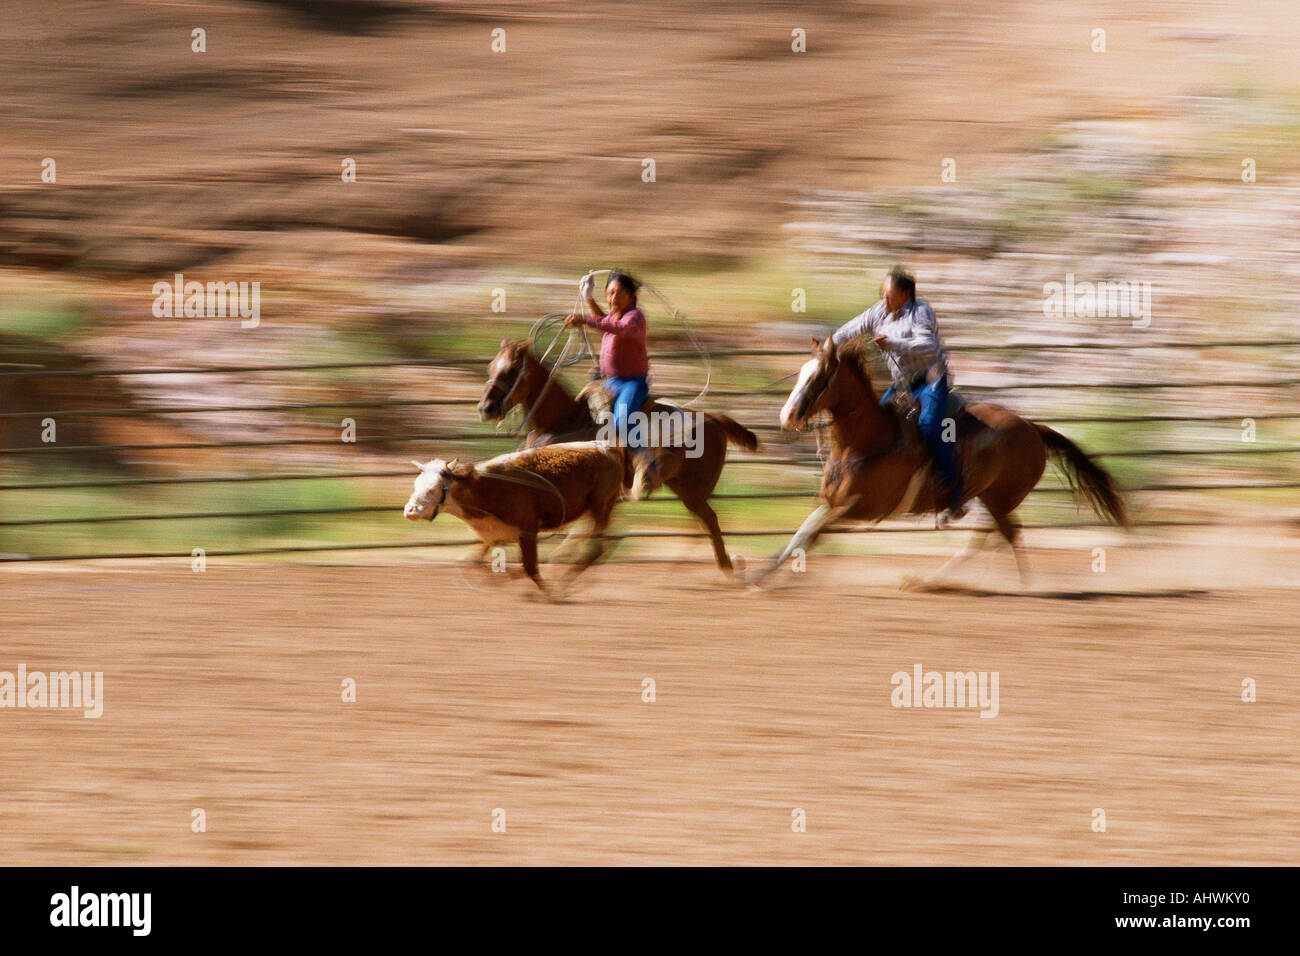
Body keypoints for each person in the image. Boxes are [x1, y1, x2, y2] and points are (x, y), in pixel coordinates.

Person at [831, 266, 966, 523]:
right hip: (903, 384)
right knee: (875, 424)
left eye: (889, 295)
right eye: (883, 294)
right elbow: (852, 328)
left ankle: (952, 492)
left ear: (905, 294)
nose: (884, 299)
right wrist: (830, 343)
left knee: (928, 426)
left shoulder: (921, 313)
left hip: (930, 380)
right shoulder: (879, 312)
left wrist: (892, 343)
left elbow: (928, 346)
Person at [566, 270, 659, 498]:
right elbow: (606, 321)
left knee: (622, 420)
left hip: (632, 383)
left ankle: (647, 466)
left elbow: (615, 327)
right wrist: (588, 297)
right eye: (608, 293)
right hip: (611, 382)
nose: (611, 298)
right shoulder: (616, 317)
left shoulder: (635, 317)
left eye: (617, 293)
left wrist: (585, 319)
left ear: (630, 295)